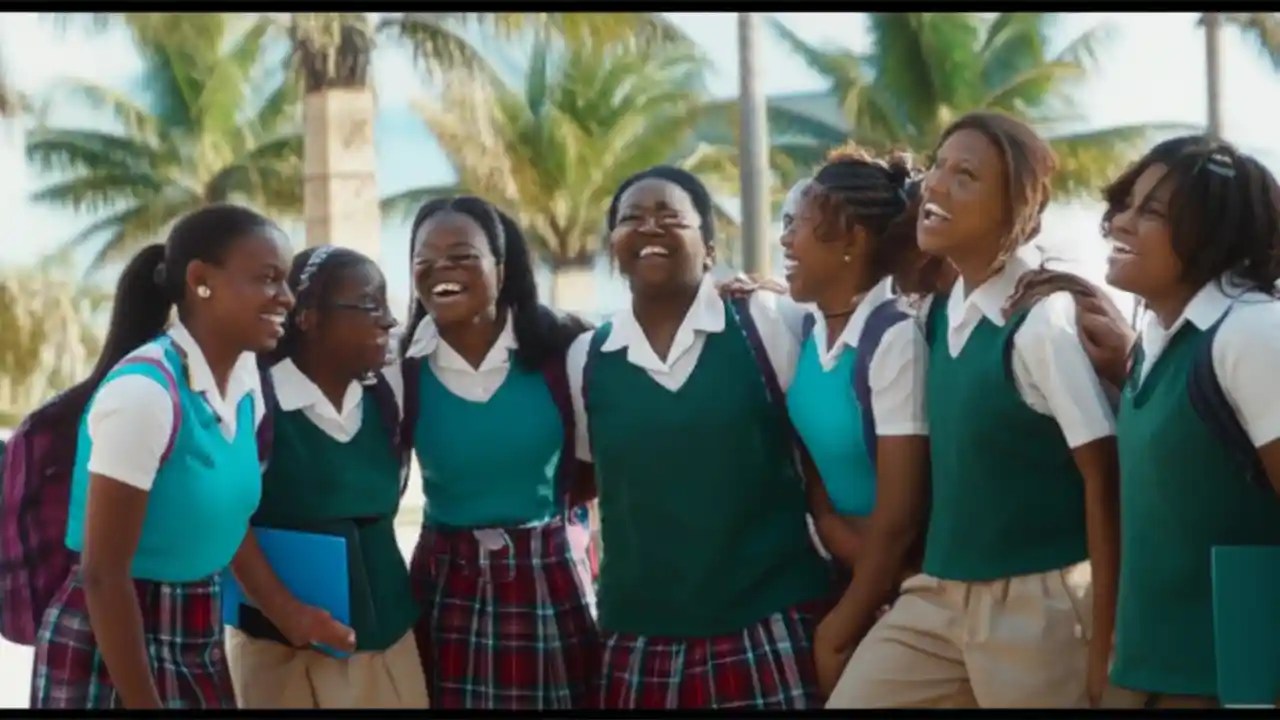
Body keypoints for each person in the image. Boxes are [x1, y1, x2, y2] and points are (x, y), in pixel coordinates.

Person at [827, 112, 1120, 709]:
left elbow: (1105, 479)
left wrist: (1106, 646)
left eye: (967, 176)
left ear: (1021, 215)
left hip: (1036, 606)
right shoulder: (936, 315)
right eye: (939, 165)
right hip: (938, 594)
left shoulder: (1041, 323)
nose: (935, 184)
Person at [569, 165, 831, 709]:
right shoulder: (586, 359)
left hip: (769, 621)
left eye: (670, 217)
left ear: (710, 249)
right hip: (640, 635)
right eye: (631, 219)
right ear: (613, 247)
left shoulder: (768, 321)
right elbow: (591, 480)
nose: (649, 228)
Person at [1044, 137, 1280, 708]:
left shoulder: (1254, 333)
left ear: (1215, 233)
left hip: (1235, 680)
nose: (1120, 222)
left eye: (1151, 211)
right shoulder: (1153, 345)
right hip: (1149, 669)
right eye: (1126, 203)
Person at [31, 204, 294, 709]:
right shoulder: (144, 395)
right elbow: (104, 574)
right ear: (200, 280)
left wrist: (289, 612)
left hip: (196, 623)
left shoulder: (245, 386)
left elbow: (223, 517)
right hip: (115, 638)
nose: (286, 296)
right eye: (268, 278)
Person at [401, 196, 598, 709]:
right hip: (445, 585)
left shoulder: (567, 349)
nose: (442, 268)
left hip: (549, 578)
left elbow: (599, 469)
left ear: (502, 267)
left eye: (464, 254)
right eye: (425, 257)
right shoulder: (398, 368)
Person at [223, 245, 429, 708]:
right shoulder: (256, 404)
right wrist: (286, 613)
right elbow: (223, 521)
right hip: (280, 657)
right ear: (308, 317)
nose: (390, 321)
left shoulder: (385, 400)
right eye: (371, 305)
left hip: (385, 652)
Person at [776, 147, 948, 697]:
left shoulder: (893, 338)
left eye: (797, 226)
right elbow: (819, 480)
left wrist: (842, 624)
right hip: (855, 569)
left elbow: (900, 515)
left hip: (906, 581)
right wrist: (831, 527)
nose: (785, 241)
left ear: (850, 239)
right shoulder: (807, 330)